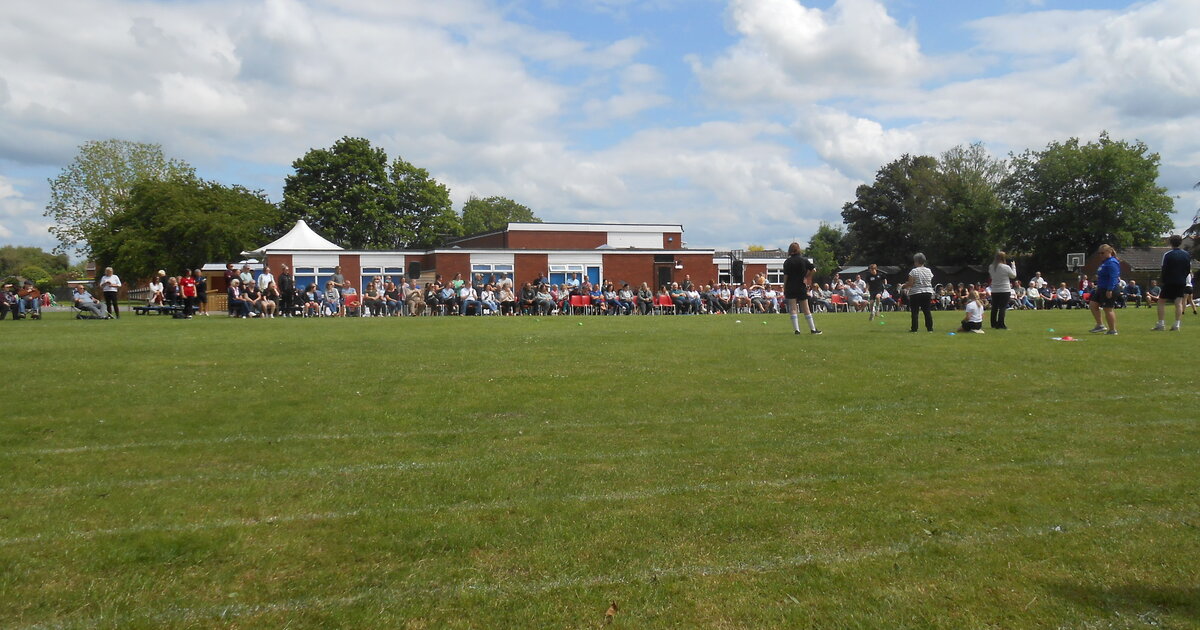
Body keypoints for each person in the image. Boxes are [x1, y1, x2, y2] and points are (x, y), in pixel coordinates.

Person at [1152, 234, 1192, 331]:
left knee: (1161, 301)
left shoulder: (1168, 254)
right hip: (1181, 281)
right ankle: (1177, 324)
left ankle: (1161, 324)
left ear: (1170, 243)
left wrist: (1164, 280)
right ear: (1180, 242)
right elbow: (1188, 269)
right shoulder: (1187, 255)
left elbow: (1164, 269)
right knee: (1178, 302)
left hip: (1169, 281)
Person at [782, 242, 821, 335]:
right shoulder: (804, 260)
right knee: (806, 308)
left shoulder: (787, 262)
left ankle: (797, 330)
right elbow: (814, 269)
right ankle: (813, 329)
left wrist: (785, 287)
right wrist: (806, 277)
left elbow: (786, 276)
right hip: (801, 286)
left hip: (790, 287)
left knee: (793, 308)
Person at [1088, 244, 1121, 335]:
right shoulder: (1105, 262)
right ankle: (1100, 325)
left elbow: (1113, 277)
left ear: (1109, 252)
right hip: (1101, 288)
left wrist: (1109, 290)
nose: (1100, 255)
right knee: (1093, 305)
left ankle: (1112, 330)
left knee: (1107, 309)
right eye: (1099, 253)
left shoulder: (1112, 262)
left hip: (1109, 288)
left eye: (1102, 253)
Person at [902, 252, 935, 333]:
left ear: (916, 261)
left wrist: (903, 286)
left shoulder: (914, 271)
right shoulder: (928, 270)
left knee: (915, 311)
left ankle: (914, 329)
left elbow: (910, 283)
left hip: (916, 292)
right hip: (927, 292)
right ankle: (929, 328)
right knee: (927, 311)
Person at [988, 251, 1017, 329]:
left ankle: (993, 324)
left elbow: (991, 276)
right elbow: (1013, 276)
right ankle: (1001, 325)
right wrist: (1013, 266)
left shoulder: (991, 266)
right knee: (1002, 308)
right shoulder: (1006, 267)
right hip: (1004, 289)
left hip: (994, 290)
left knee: (994, 307)